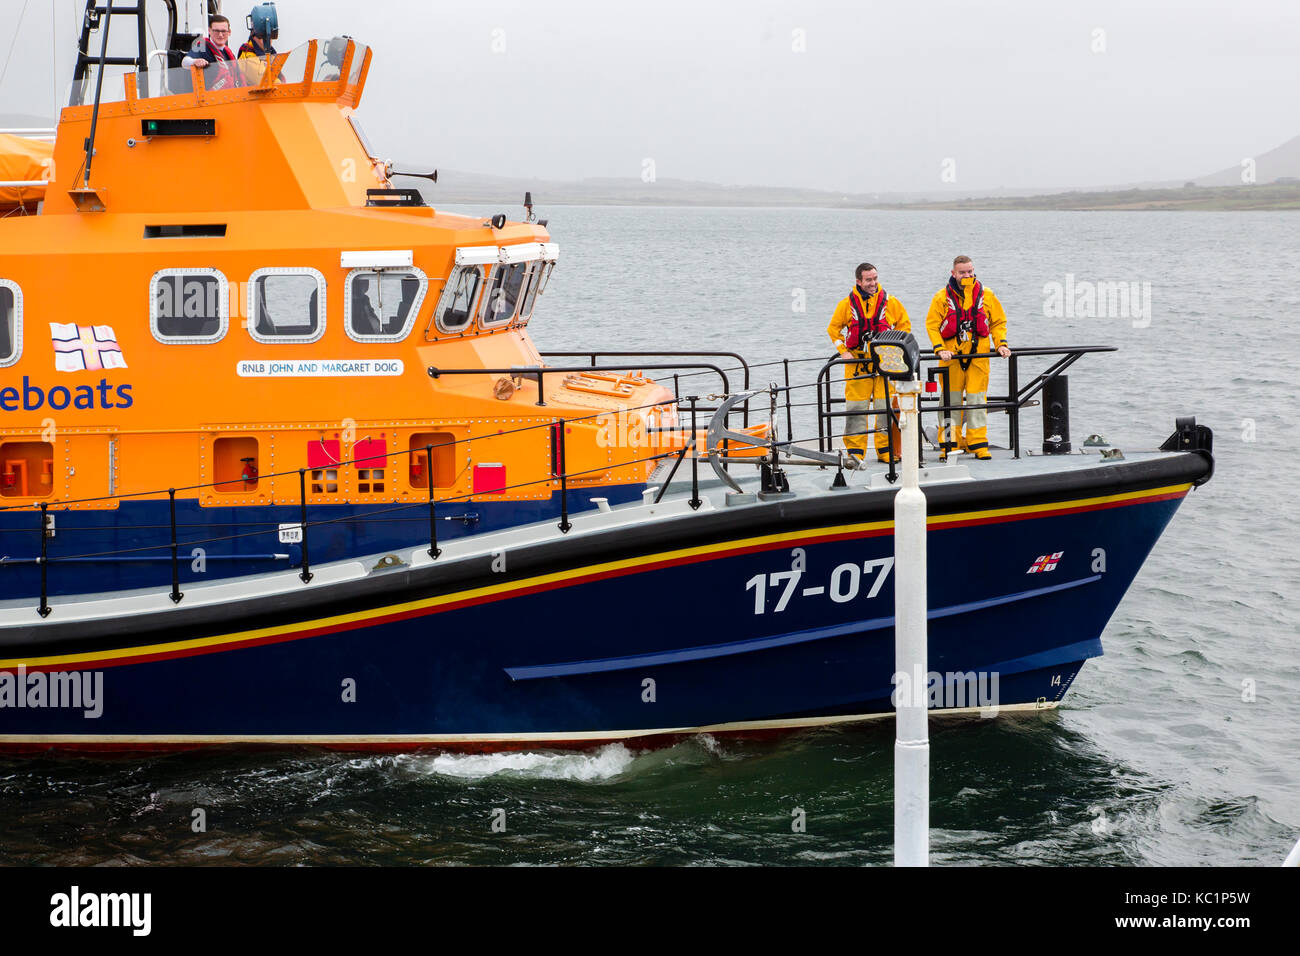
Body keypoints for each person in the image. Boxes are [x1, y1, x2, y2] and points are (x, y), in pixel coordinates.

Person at [924, 255, 1011, 461]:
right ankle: (948, 445)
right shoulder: (941, 298)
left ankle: (978, 445)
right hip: (951, 360)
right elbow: (932, 325)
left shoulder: (987, 295)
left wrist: (1001, 344)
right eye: (962, 272)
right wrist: (939, 349)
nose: (967, 275)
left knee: (977, 402)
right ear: (953, 273)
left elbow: (998, 322)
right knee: (949, 403)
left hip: (978, 359)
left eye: (970, 271)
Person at [826, 263, 912, 463]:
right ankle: (855, 451)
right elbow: (833, 330)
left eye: (875, 278)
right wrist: (843, 351)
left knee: (885, 408)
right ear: (859, 281)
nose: (873, 283)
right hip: (857, 365)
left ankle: (885, 450)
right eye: (868, 280)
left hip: (885, 363)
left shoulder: (892, 303)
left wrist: (894, 348)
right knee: (856, 408)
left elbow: (904, 326)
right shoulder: (845, 305)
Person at [182, 15, 246, 91]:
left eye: (223, 31)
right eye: (216, 31)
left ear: (229, 32)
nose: (220, 35)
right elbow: (185, 62)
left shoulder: (229, 53)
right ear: (209, 31)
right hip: (210, 98)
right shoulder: (202, 47)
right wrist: (195, 61)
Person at [237, 3, 280, 86]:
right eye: (261, 37)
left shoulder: (272, 55)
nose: (267, 41)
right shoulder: (247, 56)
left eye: (270, 37)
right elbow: (265, 82)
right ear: (253, 36)